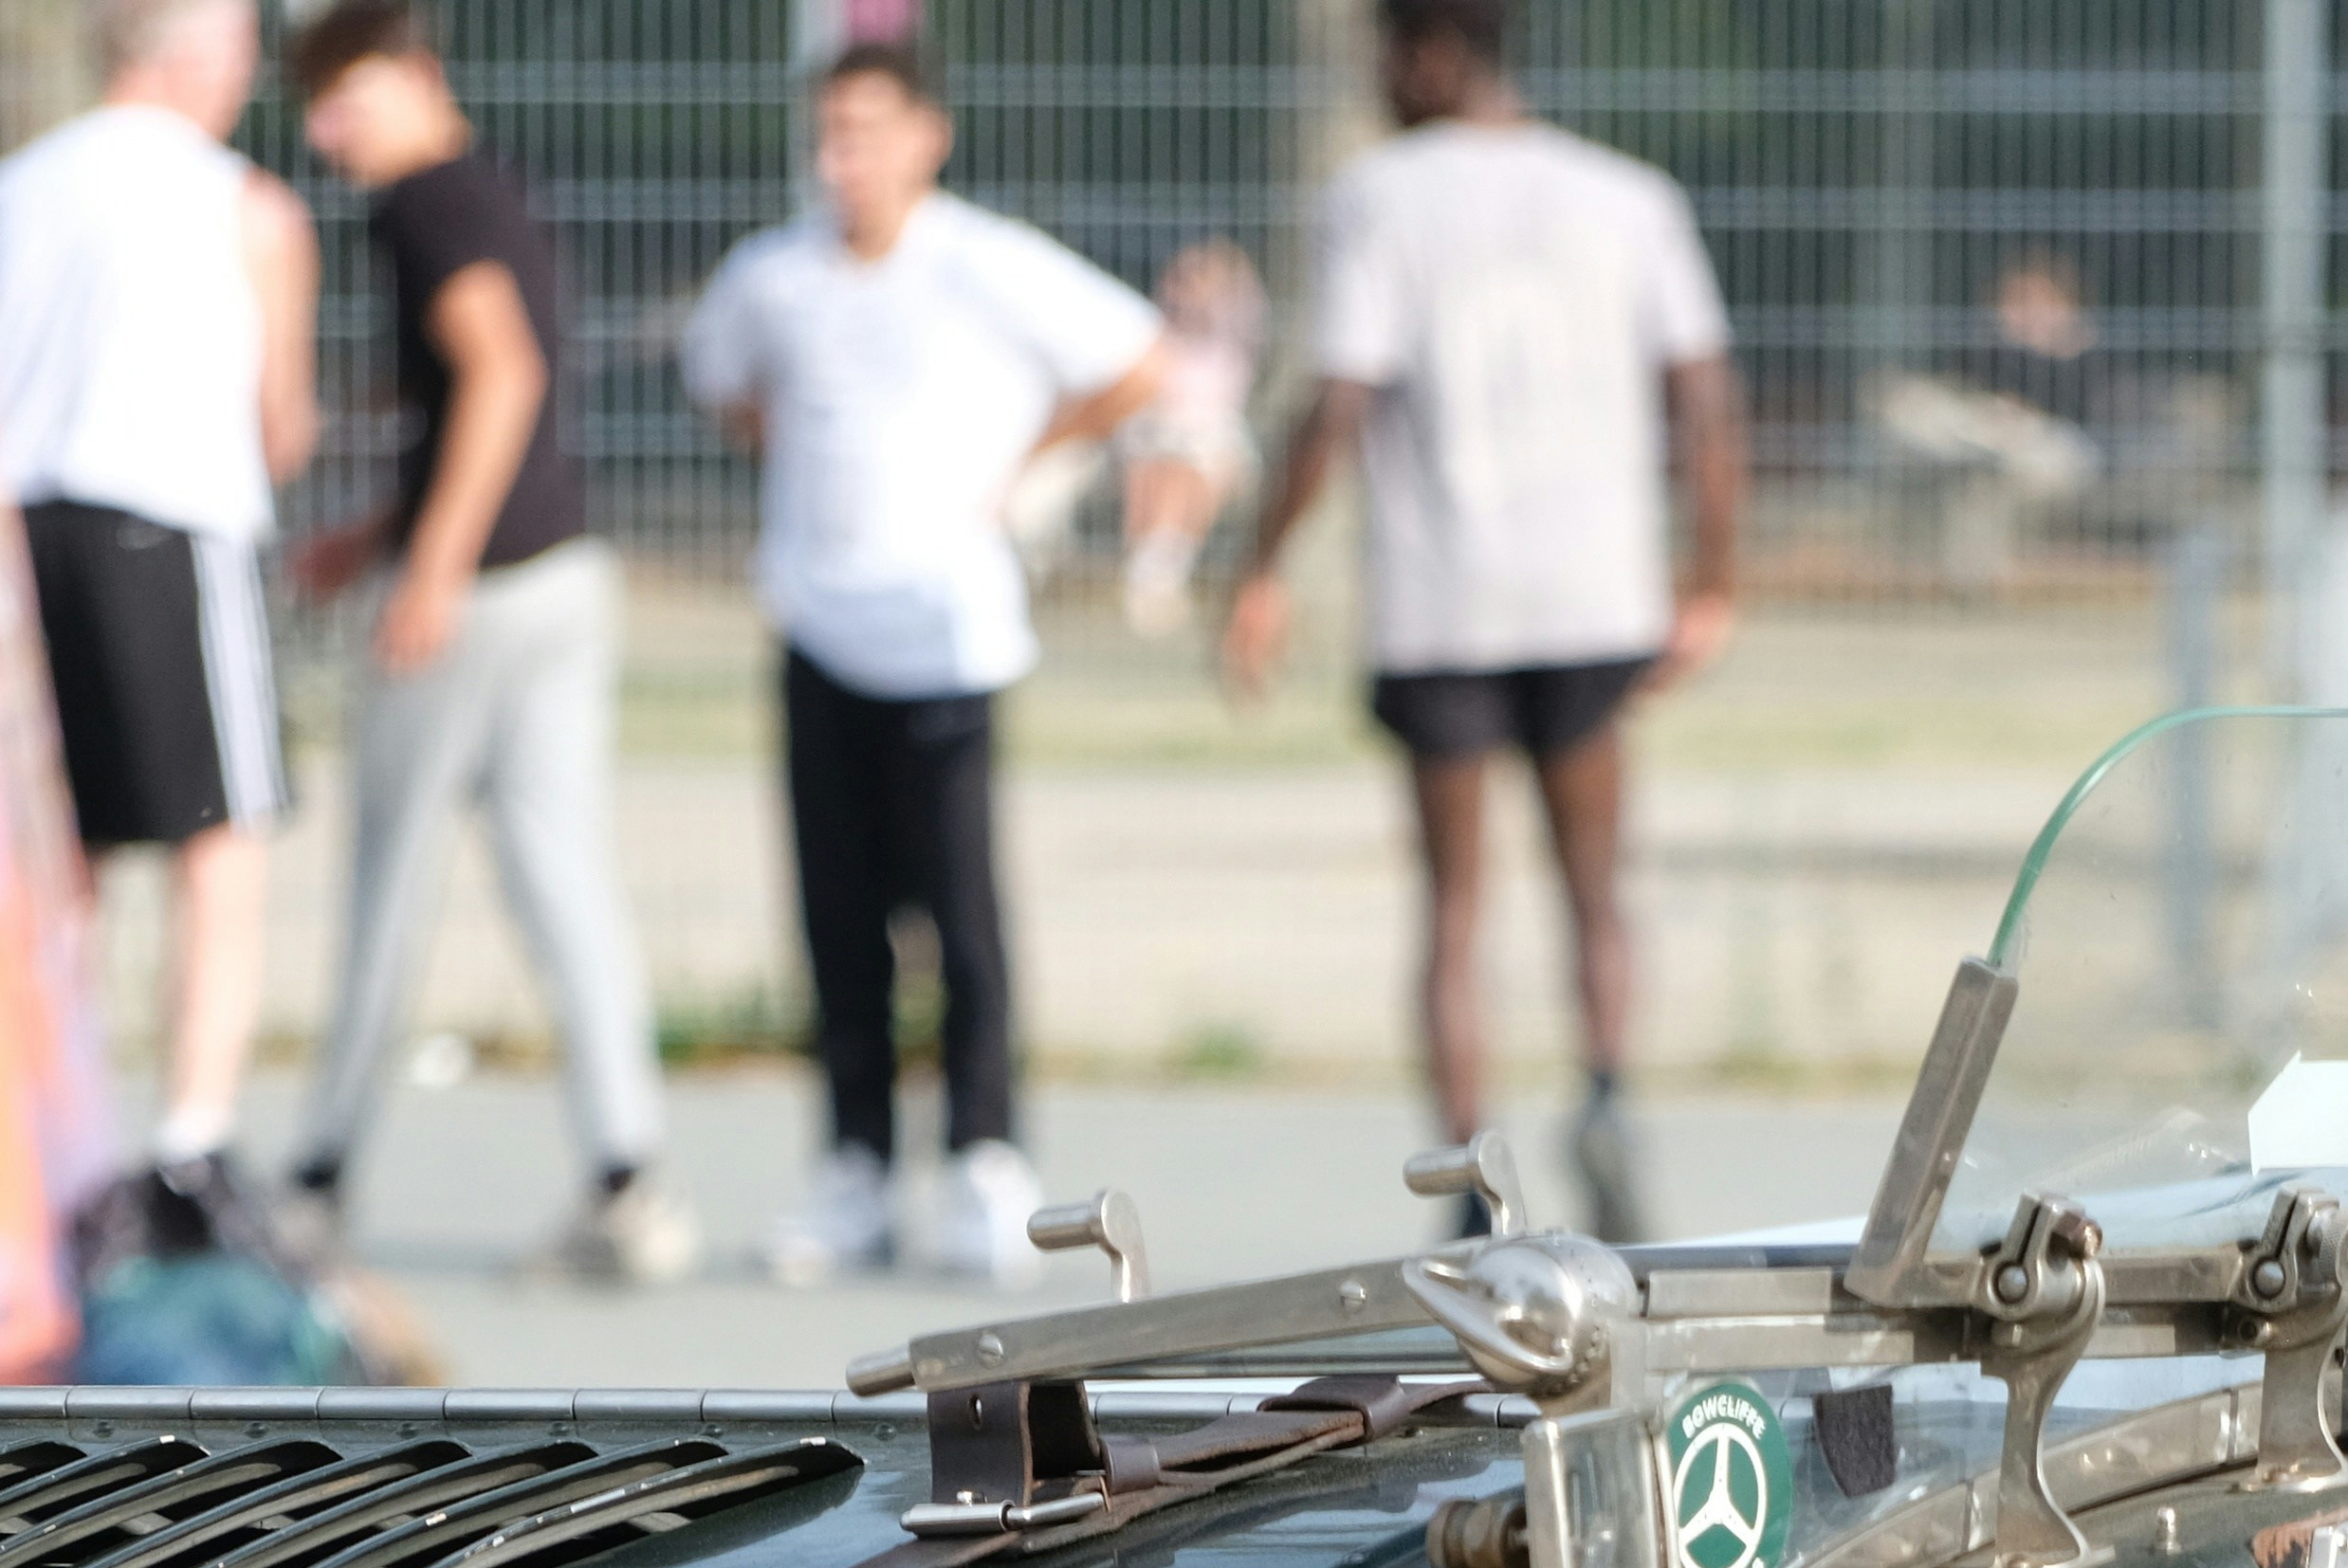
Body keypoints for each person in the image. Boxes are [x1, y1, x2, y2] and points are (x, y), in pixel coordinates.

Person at [1219, 0, 1733, 1241]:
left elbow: (1337, 400)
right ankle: (1605, 1093)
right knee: (1595, 886)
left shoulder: (1381, 196)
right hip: (1595, 591)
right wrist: (1712, 576)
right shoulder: (1628, 195)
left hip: (1441, 597)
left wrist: (1260, 564)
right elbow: (1707, 400)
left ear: (1429, 54)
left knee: (1455, 906)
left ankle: (1465, 1183)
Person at [679, 44, 1167, 1286]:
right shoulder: (773, 277)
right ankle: (851, 1170)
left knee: (959, 913)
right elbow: (728, 388)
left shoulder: (984, 263)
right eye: (830, 133)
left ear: (926, 137)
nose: (847, 157)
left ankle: (984, 1162)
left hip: (947, 637)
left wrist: (1027, 456)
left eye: (870, 130)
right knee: (837, 911)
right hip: (818, 629)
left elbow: (1140, 359)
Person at [276, 0, 684, 1283]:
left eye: (349, 95)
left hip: (485, 596)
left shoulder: (423, 205)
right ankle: (630, 1175)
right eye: (316, 105)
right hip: (563, 572)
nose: (329, 128)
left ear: (414, 76)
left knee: (389, 882)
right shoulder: (489, 187)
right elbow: (487, 404)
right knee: (562, 872)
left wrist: (428, 572)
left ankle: (315, 1181)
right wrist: (377, 531)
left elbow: (498, 376)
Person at [0, 0, 316, 1186]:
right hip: (167, 528)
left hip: (16, 542)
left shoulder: (4, 193)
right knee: (222, 843)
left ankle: (46, 1121)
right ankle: (191, 1138)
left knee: (58, 854)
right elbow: (280, 423)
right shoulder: (242, 204)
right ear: (199, 57)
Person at [1114, 238, 1266, 637]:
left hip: (1210, 439)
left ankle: (1159, 572)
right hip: (1159, 434)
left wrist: (1215, 272)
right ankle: (1152, 573)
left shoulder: (1233, 331)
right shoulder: (1157, 330)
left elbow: (1241, 300)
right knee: (1154, 465)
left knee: (1195, 466)